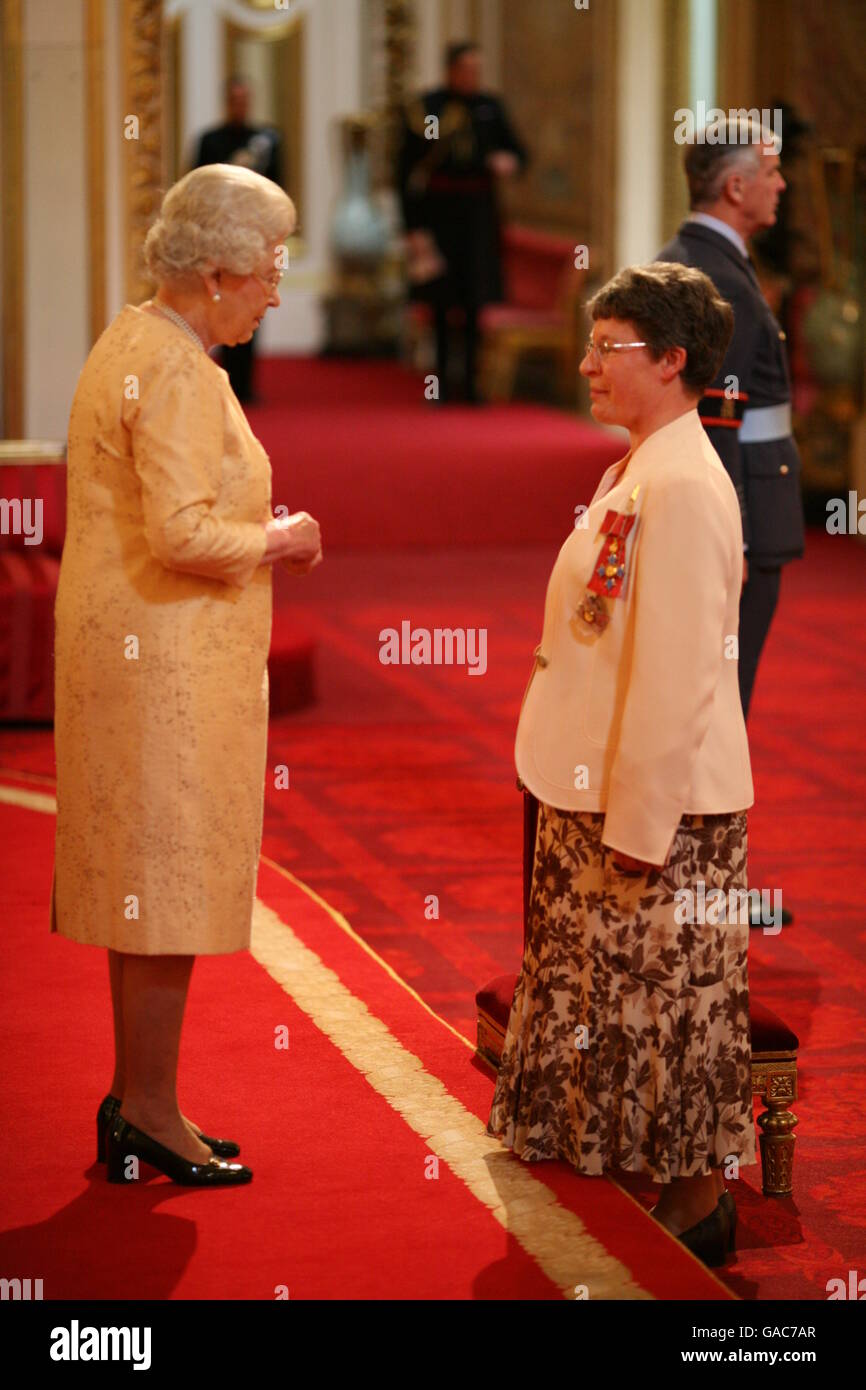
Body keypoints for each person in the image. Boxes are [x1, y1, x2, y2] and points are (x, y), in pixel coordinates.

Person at [51, 164, 322, 1187]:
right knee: (160, 889)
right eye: (267, 272)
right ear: (214, 274)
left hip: (137, 652)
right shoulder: (174, 369)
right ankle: (151, 1110)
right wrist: (283, 535)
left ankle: (138, 1101)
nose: (275, 293)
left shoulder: (138, 342)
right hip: (161, 665)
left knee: (143, 888)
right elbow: (178, 532)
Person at [487, 263, 756, 1268]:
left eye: (611, 349)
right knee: (613, 1007)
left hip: (658, 816)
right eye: (591, 345)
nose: (587, 365)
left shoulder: (682, 483)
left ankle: (691, 1209)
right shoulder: (642, 464)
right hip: (592, 791)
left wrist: (636, 827)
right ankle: (642, 1200)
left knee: (667, 1014)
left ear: (673, 360)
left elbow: (678, 673)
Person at [656, 118, 805, 929]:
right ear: (736, 187)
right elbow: (715, 425)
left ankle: (698, 882)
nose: (782, 186)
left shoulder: (701, 263)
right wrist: (735, 539)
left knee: (713, 708)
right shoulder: (714, 277)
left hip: (742, 521)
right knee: (717, 715)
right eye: (772, 172)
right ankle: (706, 891)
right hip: (741, 530)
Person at [395, 41, 528, 403]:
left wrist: (508, 161)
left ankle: (470, 386)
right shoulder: (428, 109)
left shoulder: (490, 107)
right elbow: (406, 170)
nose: (472, 77)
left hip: (479, 217)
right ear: (451, 71)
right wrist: (411, 228)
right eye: (466, 70)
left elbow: (519, 152)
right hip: (438, 216)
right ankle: (438, 385)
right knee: (440, 302)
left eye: (476, 70)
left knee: (474, 302)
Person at [195, 77, 284, 404]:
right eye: (235, 98)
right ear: (226, 101)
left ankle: (247, 385)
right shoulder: (209, 141)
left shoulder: (267, 139)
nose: (240, 104)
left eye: (245, 98)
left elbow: (277, 190)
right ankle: (226, 382)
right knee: (224, 305)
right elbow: (199, 189)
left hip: (256, 236)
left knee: (254, 304)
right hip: (222, 237)